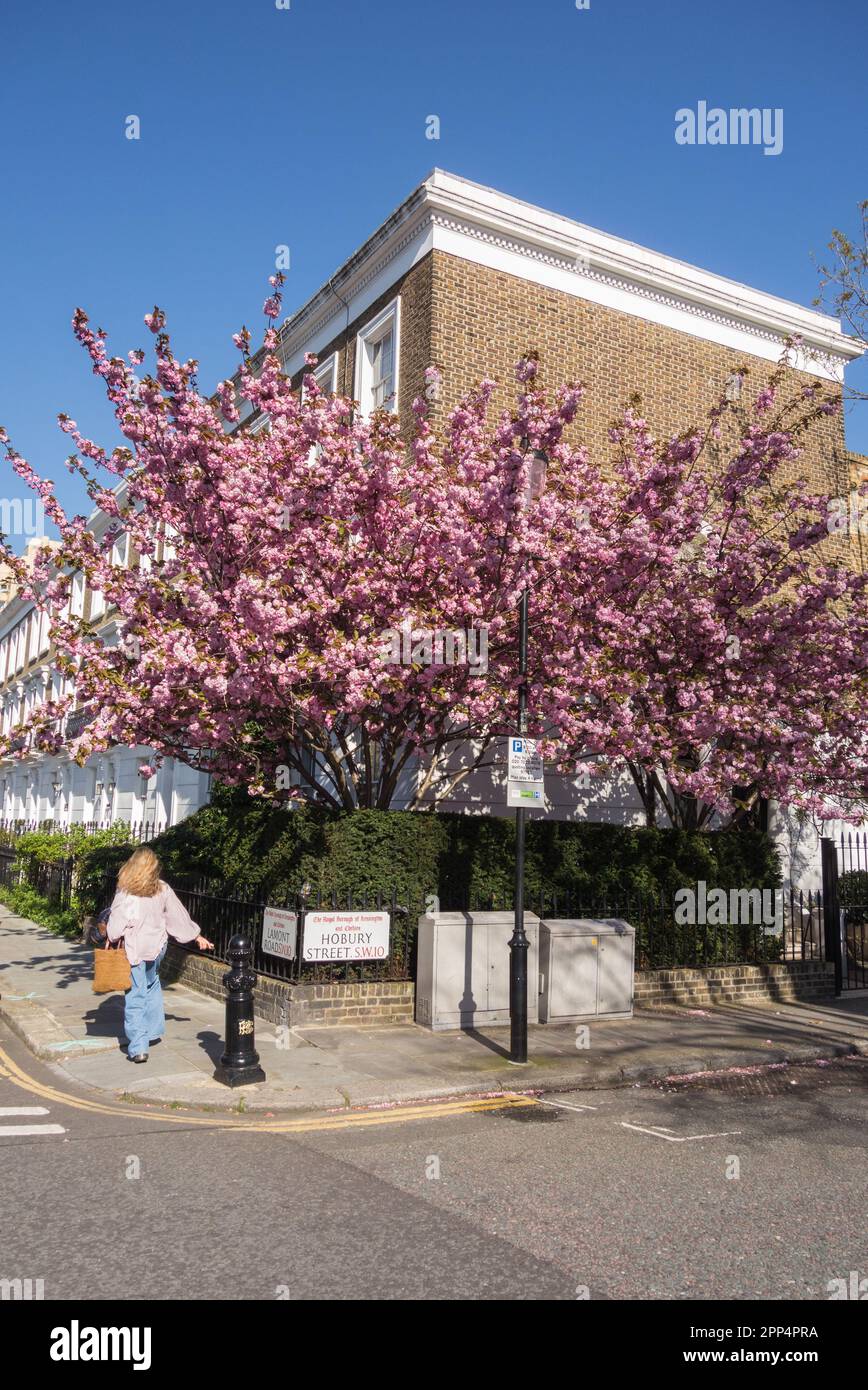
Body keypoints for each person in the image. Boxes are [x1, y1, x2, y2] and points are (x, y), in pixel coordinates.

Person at [105, 847, 214, 1063]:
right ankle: (152, 1031)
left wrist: (111, 935)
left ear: (132, 865)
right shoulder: (162, 889)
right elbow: (178, 917)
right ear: (154, 868)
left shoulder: (126, 892)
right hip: (156, 948)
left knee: (135, 993)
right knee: (151, 983)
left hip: (134, 949)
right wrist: (196, 936)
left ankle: (139, 1046)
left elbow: (116, 927)